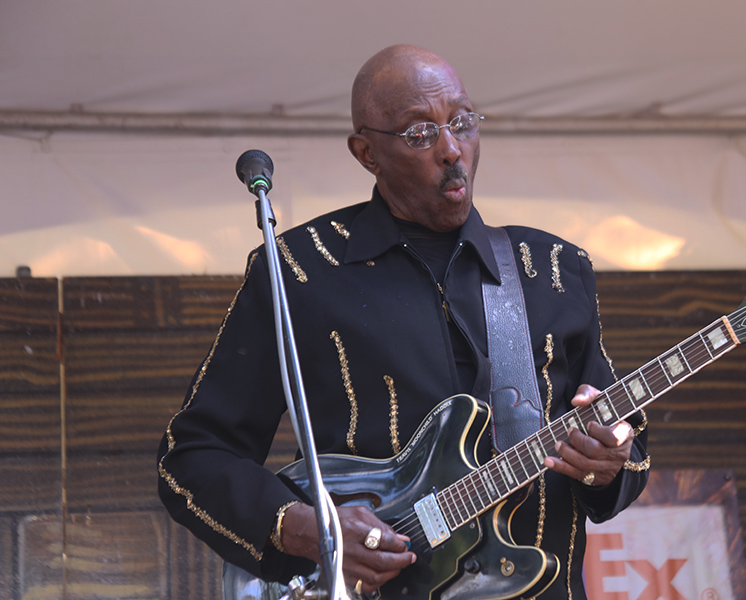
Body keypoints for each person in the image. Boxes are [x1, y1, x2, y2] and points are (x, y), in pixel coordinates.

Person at [158, 44, 649, 600]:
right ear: (367, 152)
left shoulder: (553, 271)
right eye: (420, 134)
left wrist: (610, 461)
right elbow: (192, 456)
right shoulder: (299, 271)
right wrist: (311, 530)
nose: (451, 149)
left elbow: (625, 453)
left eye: (462, 123)